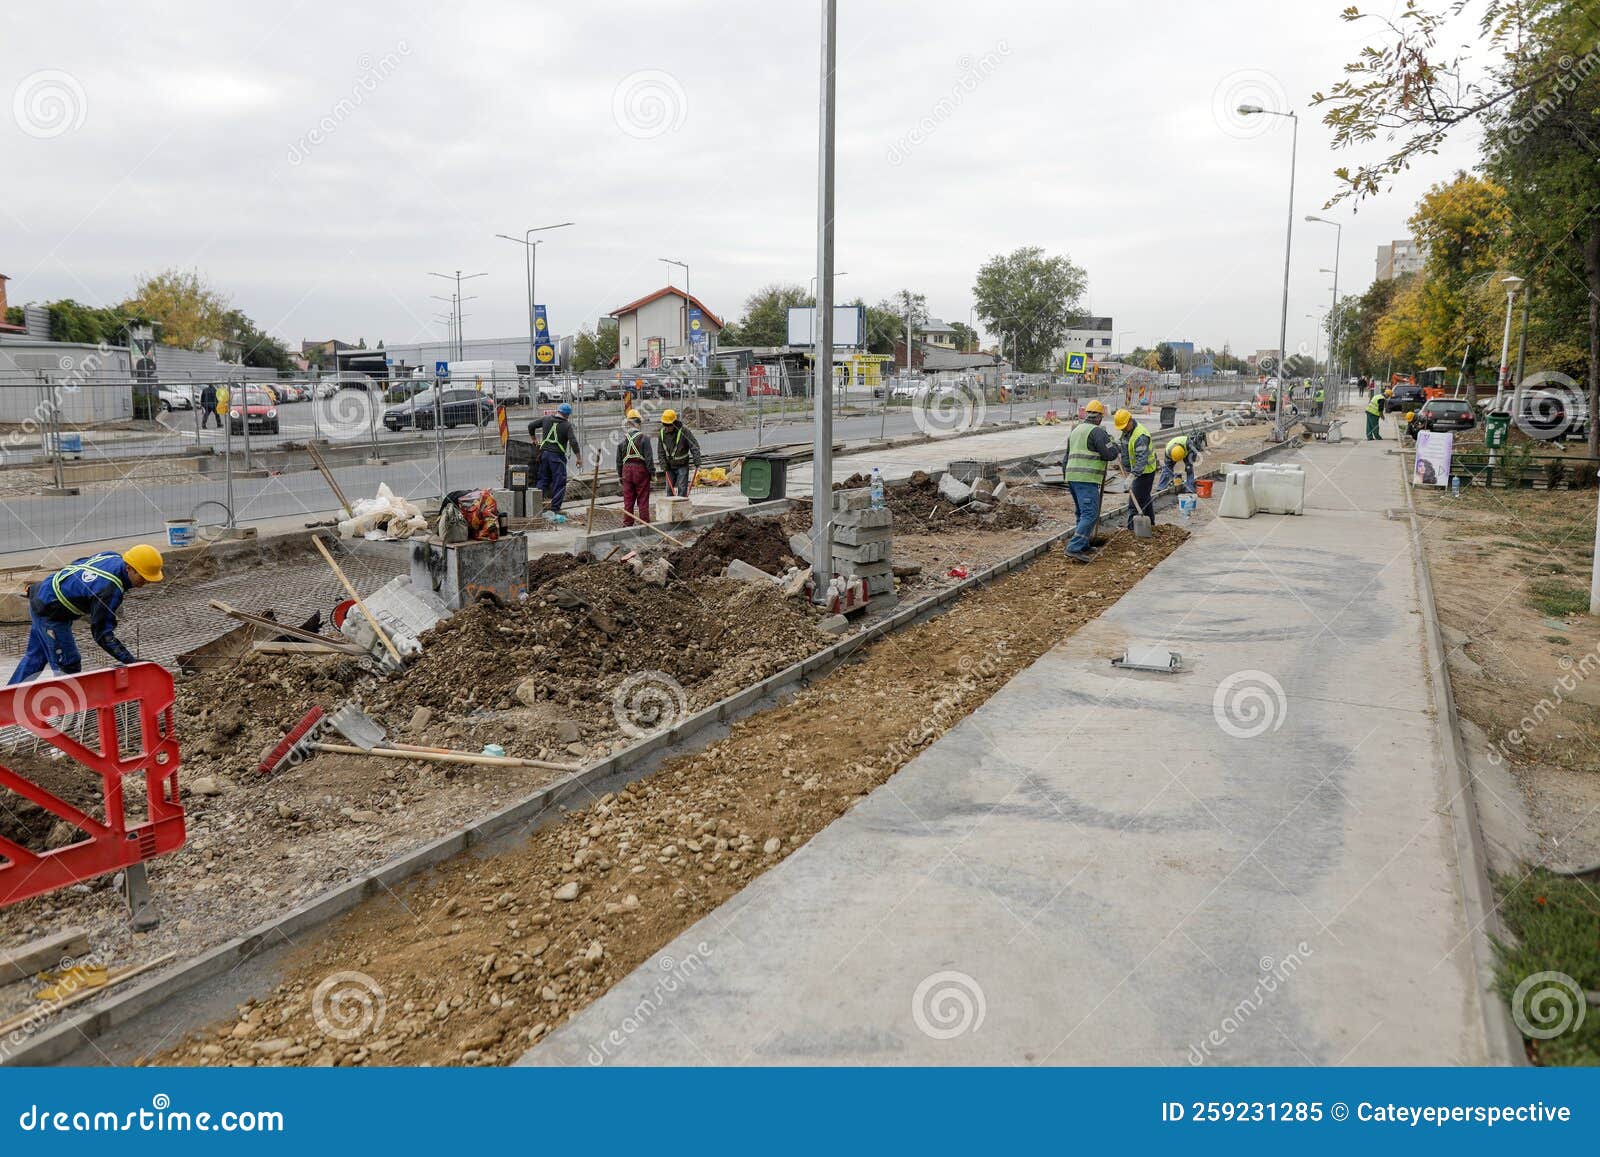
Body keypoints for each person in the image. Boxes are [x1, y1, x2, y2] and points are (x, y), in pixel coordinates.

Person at [8, 545, 163, 685]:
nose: (146, 582)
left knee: (35, 658)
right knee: (68, 665)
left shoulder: (112, 556)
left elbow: (79, 563)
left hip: (42, 593)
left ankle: (5, 705)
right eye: (143, 577)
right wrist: (131, 662)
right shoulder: (109, 589)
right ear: (129, 568)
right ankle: (69, 714)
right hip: (50, 612)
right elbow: (102, 634)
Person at [1062, 400, 1119, 563]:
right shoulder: (1098, 432)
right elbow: (1110, 454)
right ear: (1099, 417)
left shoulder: (1075, 430)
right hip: (1086, 478)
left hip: (1073, 477)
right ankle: (1074, 547)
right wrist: (1114, 444)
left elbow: (1066, 456)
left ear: (1087, 414)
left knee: (1081, 513)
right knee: (1090, 513)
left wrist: (1066, 476)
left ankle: (1084, 543)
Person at [528, 403, 581, 516]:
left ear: (558, 411)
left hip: (544, 456)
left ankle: (535, 507)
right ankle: (555, 509)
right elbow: (573, 442)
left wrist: (533, 439)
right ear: (567, 415)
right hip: (557, 457)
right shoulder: (567, 425)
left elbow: (531, 425)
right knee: (559, 482)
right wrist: (578, 458)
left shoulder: (546, 419)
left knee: (543, 480)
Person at [1114, 408, 1158, 527]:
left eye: (1124, 426)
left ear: (1130, 421)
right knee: (1145, 498)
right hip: (1136, 471)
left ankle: (1131, 531)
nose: (1122, 429)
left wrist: (1132, 476)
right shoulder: (1127, 432)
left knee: (1134, 502)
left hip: (1145, 472)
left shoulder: (1140, 436)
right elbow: (1124, 448)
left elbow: (1141, 460)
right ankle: (1151, 524)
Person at [616, 409, 656, 527]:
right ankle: (644, 522)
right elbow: (649, 459)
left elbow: (619, 461)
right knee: (643, 498)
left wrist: (620, 476)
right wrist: (652, 473)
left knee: (628, 499)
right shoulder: (644, 439)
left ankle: (628, 523)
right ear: (639, 423)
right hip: (640, 470)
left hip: (626, 471)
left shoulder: (622, 441)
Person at [657, 408, 702, 497]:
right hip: (669, 466)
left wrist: (697, 460)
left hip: (682, 465)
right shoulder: (662, 433)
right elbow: (660, 451)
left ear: (674, 422)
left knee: (682, 488)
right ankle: (670, 509)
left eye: (669, 425)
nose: (668, 427)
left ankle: (681, 508)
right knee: (669, 490)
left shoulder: (684, 431)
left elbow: (694, 446)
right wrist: (663, 465)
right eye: (665, 425)